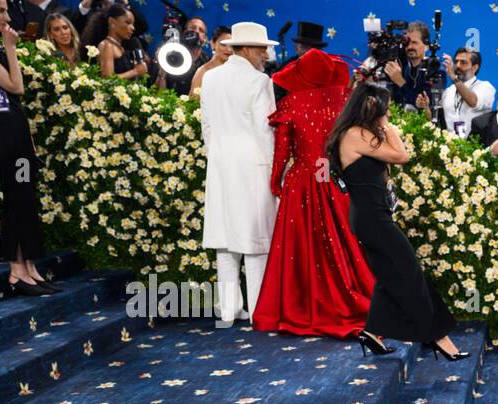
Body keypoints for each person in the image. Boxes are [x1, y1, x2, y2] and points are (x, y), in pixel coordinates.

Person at [328, 82, 466, 361]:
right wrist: (388, 128)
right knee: (411, 273)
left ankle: (373, 332)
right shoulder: (354, 135)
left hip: (375, 217)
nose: (389, 115)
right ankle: (438, 337)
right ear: (372, 109)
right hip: (371, 220)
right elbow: (402, 155)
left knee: (390, 276)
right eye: (386, 110)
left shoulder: (361, 133)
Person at [251, 50, 375, 340]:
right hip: (332, 178)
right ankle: (351, 299)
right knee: (342, 242)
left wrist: (275, 181)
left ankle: (302, 307)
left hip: (302, 183)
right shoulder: (345, 100)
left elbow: (282, 149)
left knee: (302, 247)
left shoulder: (291, 103)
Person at [0, 0, 56, 296]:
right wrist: (10, 47)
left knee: (26, 198)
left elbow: (16, 100)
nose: (6, 17)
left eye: (7, 10)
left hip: (18, 130)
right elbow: (15, 86)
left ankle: (29, 266)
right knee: (16, 198)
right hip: (4, 135)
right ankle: (15, 270)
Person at [200, 21, 279, 328]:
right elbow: (265, 132)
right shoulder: (260, 82)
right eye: (262, 50)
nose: (265, 56)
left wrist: (218, 156)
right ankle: (259, 311)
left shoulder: (211, 78)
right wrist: (274, 171)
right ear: (246, 48)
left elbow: (207, 127)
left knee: (226, 241)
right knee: (256, 244)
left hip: (220, 165)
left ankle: (230, 310)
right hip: (253, 167)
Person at [440, 47, 494, 138]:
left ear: (475, 68)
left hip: (477, 146)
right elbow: (439, 119)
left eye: (463, 62)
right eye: (456, 62)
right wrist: (425, 106)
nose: (457, 66)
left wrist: (454, 78)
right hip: (450, 147)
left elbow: (474, 102)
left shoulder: (485, 87)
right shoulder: (448, 91)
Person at [95, 3, 146, 82]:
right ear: (112, 22)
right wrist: (135, 71)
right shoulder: (107, 45)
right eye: (128, 22)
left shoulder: (121, 47)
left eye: (133, 24)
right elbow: (106, 79)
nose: (133, 28)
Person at [189, 25, 230, 97]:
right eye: (223, 44)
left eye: (232, 45)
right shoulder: (203, 71)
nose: (229, 49)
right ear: (212, 44)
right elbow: (192, 103)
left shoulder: (235, 71)